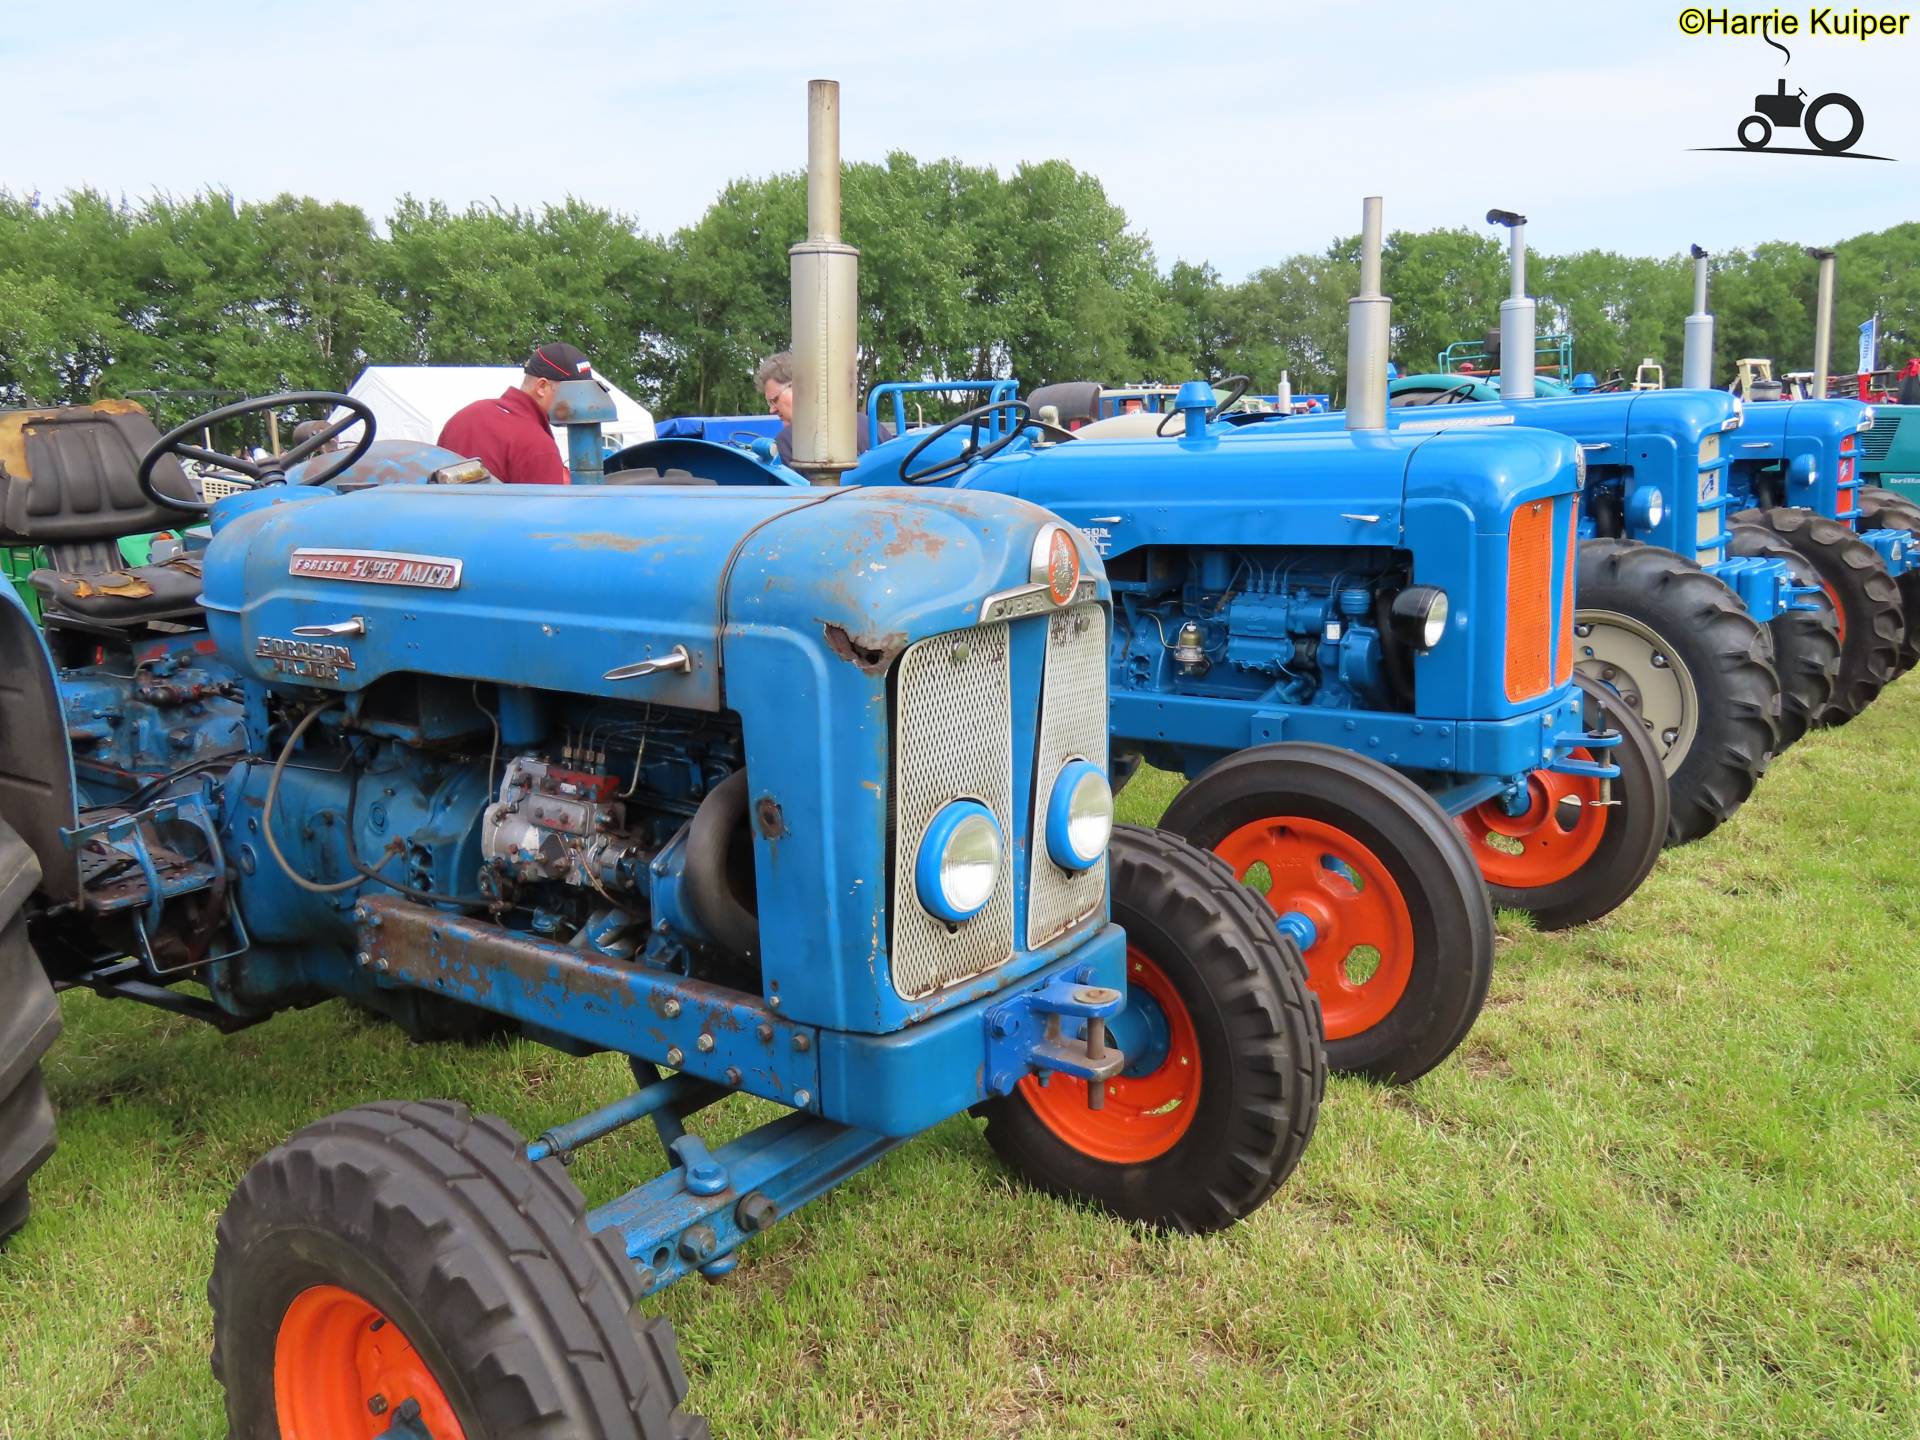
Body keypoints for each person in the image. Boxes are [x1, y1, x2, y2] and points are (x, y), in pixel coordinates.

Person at [437, 343, 594, 485]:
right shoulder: (539, 447)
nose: (580, 401)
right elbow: (548, 508)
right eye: (575, 392)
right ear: (542, 387)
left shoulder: (465, 416)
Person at [756, 350, 887, 464]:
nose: (772, 410)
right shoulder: (869, 425)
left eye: (774, 400)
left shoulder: (787, 442)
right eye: (770, 403)